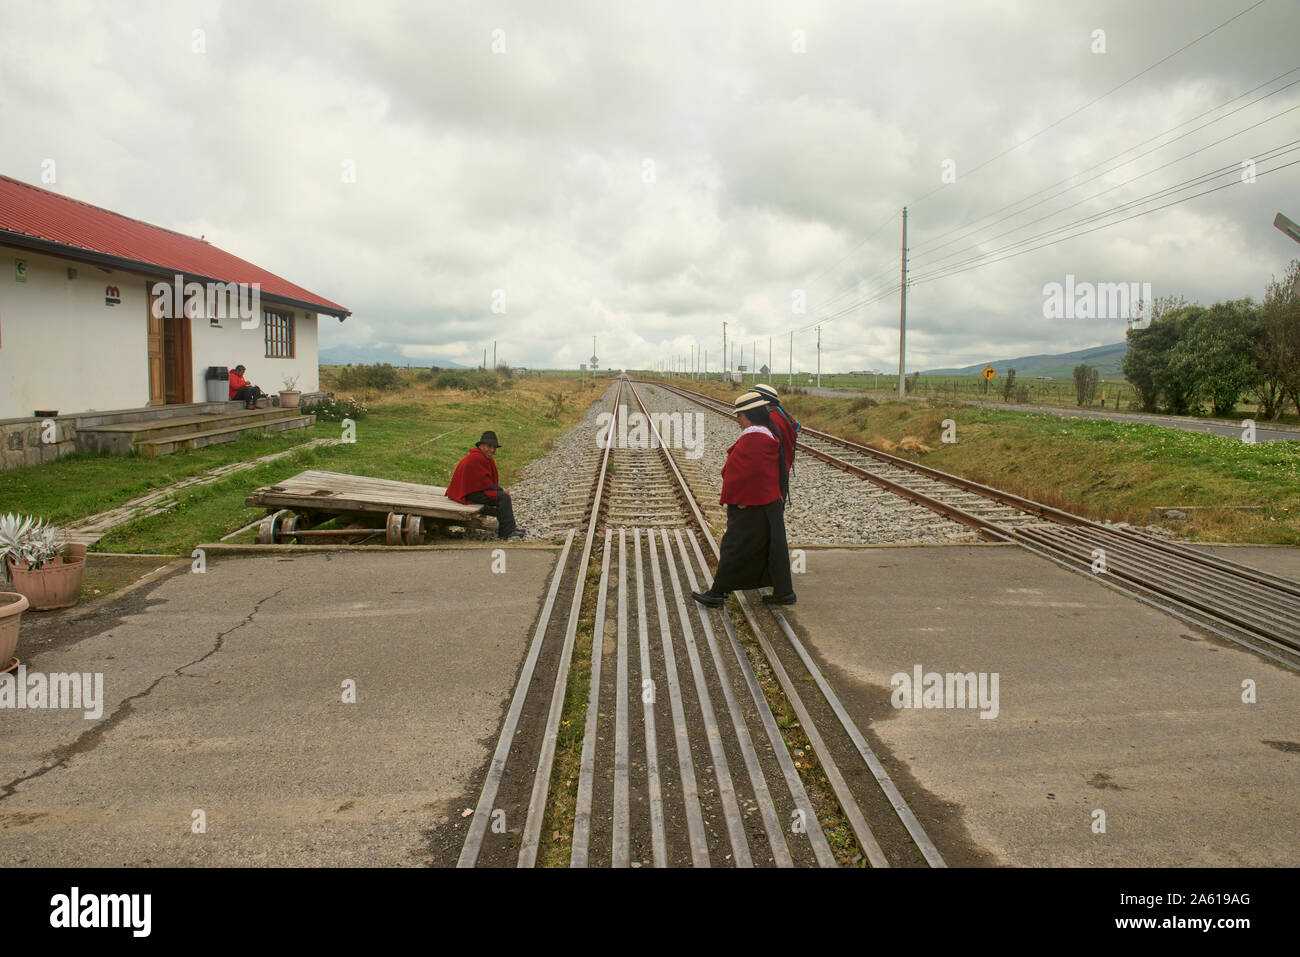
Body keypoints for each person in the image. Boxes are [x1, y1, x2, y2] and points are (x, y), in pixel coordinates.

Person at [691, 391, 795, 607]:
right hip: (767, 502)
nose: (737, 419)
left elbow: (747, 473)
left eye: (739, 415)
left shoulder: (754, 437)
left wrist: (741, 500)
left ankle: (717, 593)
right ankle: (784, 594)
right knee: (772, 546)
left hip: (752, 504)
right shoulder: (764, 432)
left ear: (748, 415)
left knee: (734, 546)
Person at [446, 430, 525, 540]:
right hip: (468, 493)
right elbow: (484, 482)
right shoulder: (476, 458)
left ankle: (511, 528)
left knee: (502, 496)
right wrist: (501, 490)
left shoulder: (482, 457)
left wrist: (499, 490)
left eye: (494, 447)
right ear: (481, 446)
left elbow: (484, 482)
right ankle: (507, 532)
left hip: (473, 490)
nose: (492, 450)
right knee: (503, 497)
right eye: (489, 446)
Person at [751, 383, 800, 475]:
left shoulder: (771, 417)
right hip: (784, 462)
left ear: (765, 401)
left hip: (776, 465)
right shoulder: (779, 413)